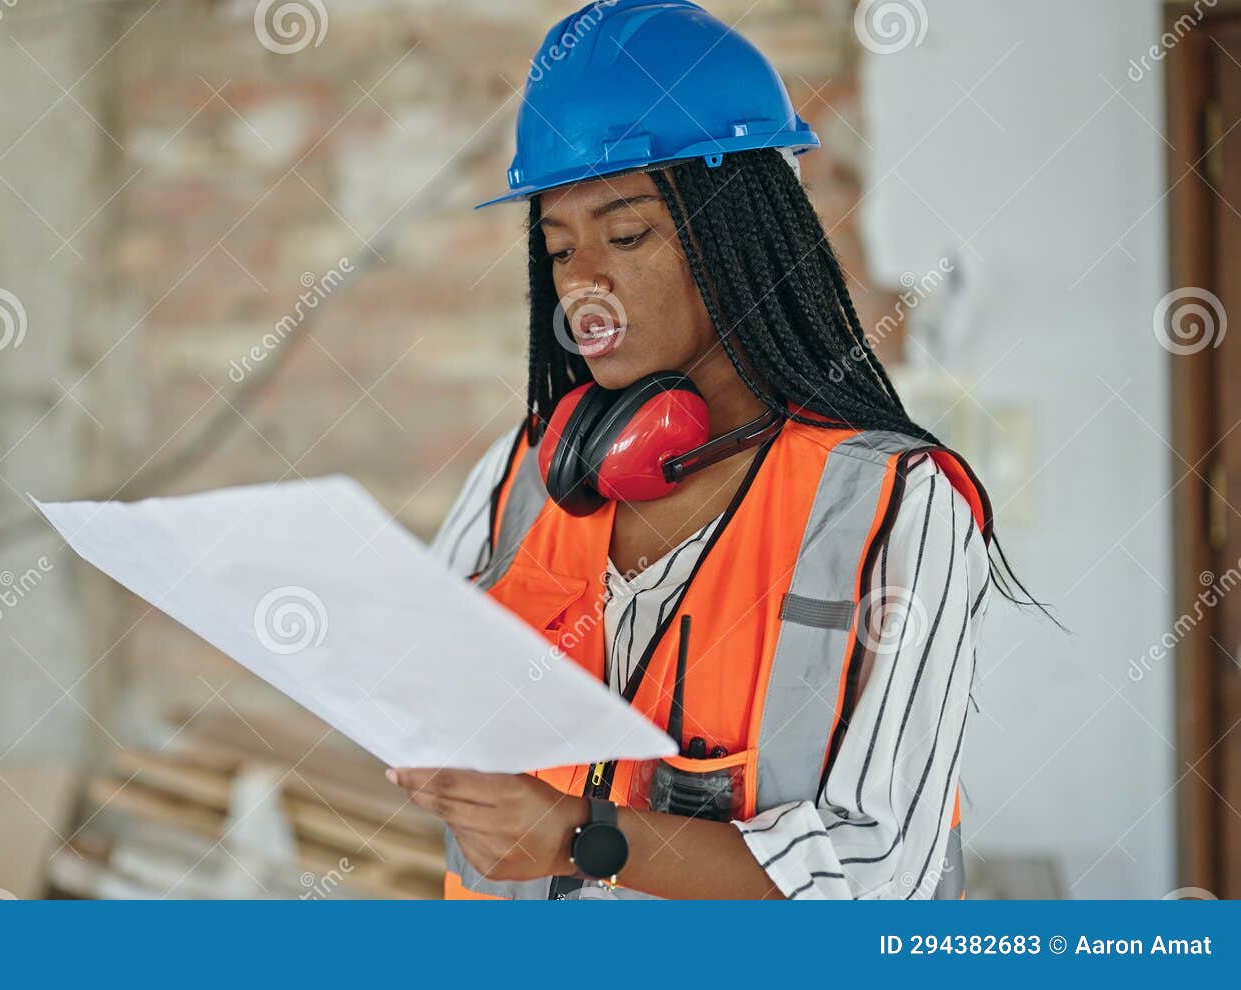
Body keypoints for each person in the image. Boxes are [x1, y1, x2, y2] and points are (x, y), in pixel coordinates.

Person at [385, 0, 1038, 900]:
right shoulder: (521, 474)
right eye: (560, 249)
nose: (584, 284)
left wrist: (582, 836)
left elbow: (884, 865)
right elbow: (417, 681)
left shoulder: (895, 503)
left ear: (738, 237)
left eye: (625, 235)